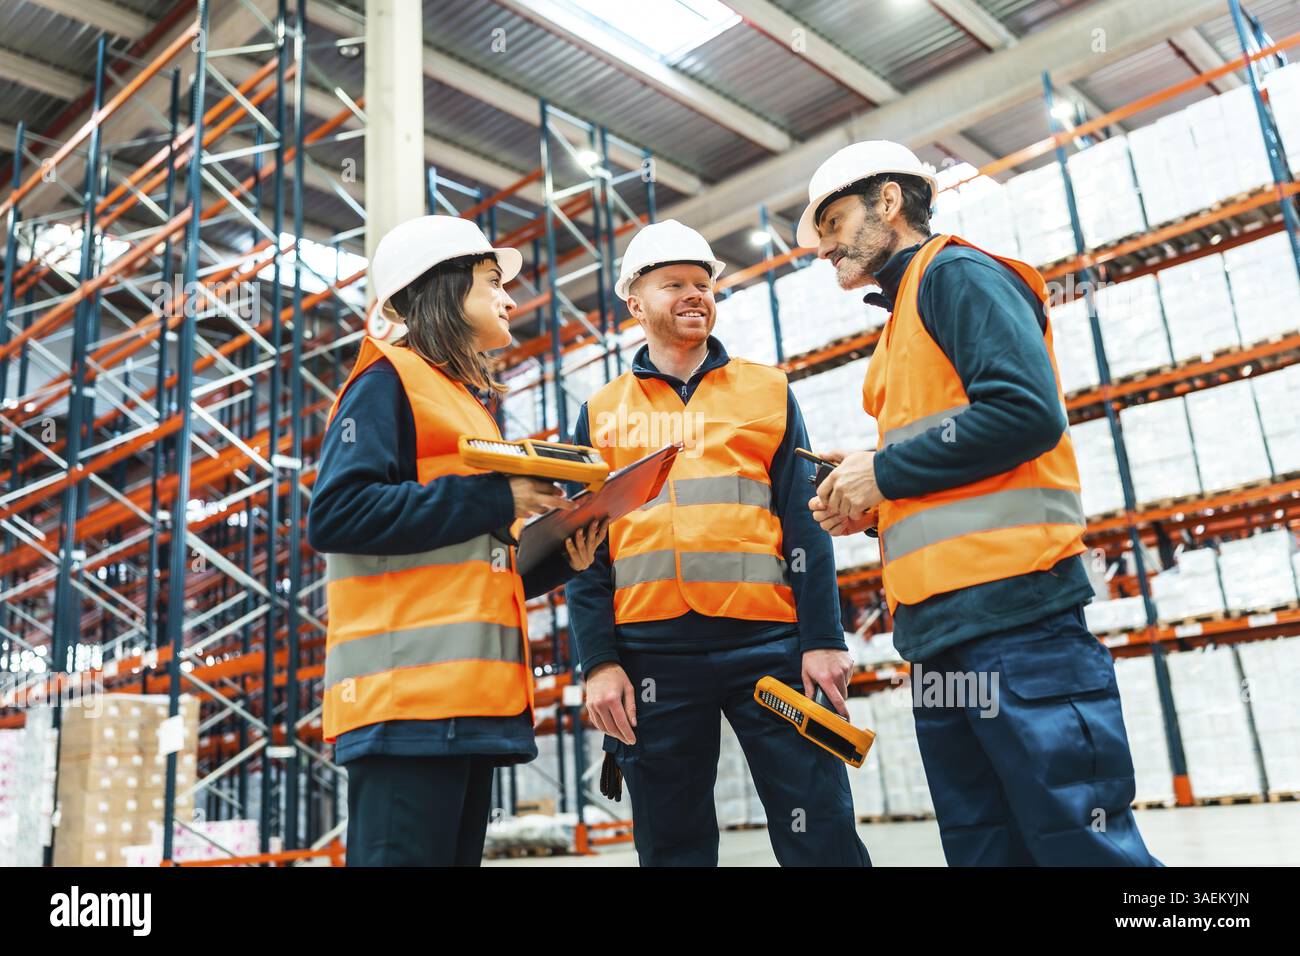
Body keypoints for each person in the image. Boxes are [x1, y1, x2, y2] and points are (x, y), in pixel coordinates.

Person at [802, 141, 1160, 866]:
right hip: (937, 636)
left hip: (1018, 620)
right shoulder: (906, 315)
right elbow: (948, 451)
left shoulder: (956, 276)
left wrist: (888, 470)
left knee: (1077, 840)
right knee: (983, 846)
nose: (823, 247)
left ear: (890, 202)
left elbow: (1026, 414)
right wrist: (867, 490)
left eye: (834, 221)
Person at [565, 219, 870, 867]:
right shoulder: (600, 413)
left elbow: (806, 521)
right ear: (634, 301)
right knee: (672, 841)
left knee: (819, 825)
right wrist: (598, 663)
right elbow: (584, 552)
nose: (693, 294)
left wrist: (822, 640)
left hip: (769, 646)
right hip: (651, 658)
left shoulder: (767, 391)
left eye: (703, 283)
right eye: (673, 283)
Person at [308, 215, 607, 866]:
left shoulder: (465, 403)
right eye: (492, 283)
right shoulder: (386, 382)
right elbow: (336, 514)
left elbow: (465, 561)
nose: (509, 299)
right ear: (443, 289)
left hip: (465, 704)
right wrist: (500, 497)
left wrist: (556, 554)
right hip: (406, 705)